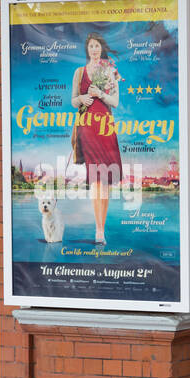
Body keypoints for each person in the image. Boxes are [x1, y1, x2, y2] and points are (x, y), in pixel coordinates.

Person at [70, 33, 123, 245]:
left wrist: (100, 94)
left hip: (105, 128)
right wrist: (82, 98)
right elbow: (74, 101)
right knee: (96, 180)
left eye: (97, 46)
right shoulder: (79, 72)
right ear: (87, 49)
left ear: (101, 48)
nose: (94, 49)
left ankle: (102, 228)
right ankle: (98, 230)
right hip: (88, 129)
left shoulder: (110, 71)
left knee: (106, 180)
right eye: (91, 46)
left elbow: (116, 102)